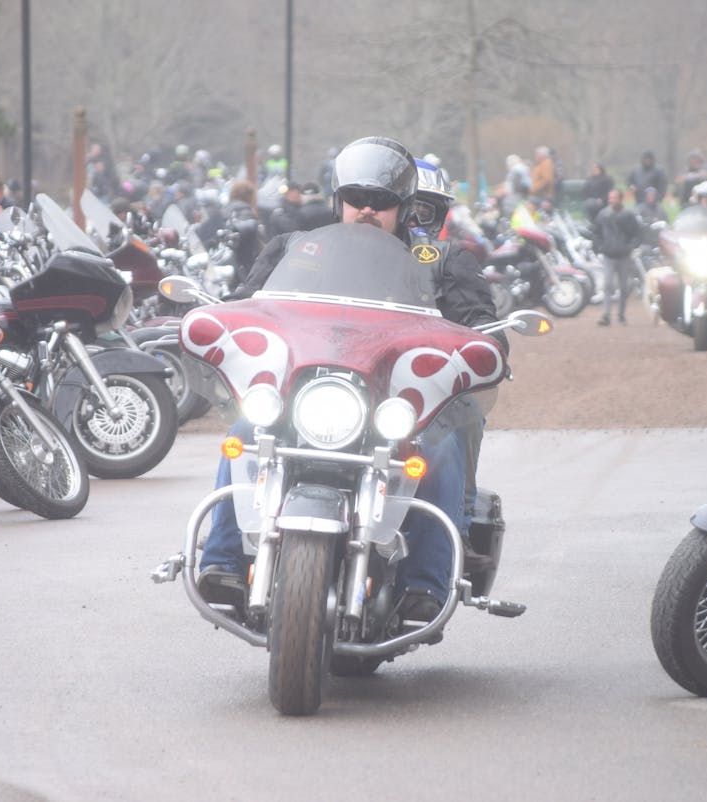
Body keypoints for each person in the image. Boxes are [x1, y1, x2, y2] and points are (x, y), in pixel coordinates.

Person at [197, 136, 503, 626]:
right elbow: (247, 305)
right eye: (356, 198)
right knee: (246, 433)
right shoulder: (295, 249)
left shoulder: (444, 260)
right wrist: (216, 319)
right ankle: (222, 562)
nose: (367, 210)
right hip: (310, 397)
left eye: (381, 201)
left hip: (400, 406)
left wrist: (484, 340)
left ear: (405, 207)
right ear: (338, 200)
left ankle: (425, 584)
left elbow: (483, 329)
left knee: (441, 446)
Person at [591, 187, 641, 326]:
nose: (611, 200)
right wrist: (601, 247)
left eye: (614, 198)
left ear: (620, 199)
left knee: (624, 287)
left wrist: (630, 247)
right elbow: (596, 232)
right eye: (610, 198)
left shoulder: (628, 215)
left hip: (624, 255)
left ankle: (621, 314)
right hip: (609, 255)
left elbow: (636, 234)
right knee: (607, 285)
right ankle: (606, 315)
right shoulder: (603, 214)